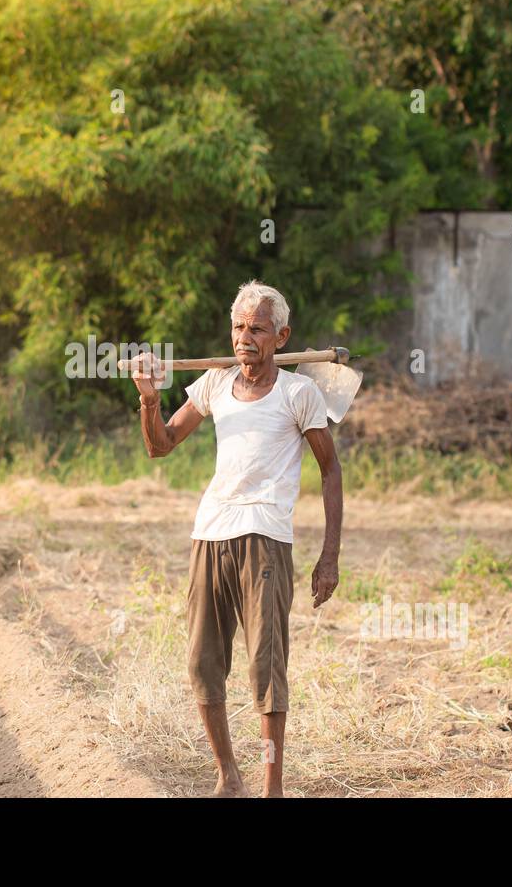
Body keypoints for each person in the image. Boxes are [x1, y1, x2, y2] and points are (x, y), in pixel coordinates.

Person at [131, 280, 343, 797]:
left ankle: (272, 790)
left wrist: (328, 556)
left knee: (266, 668)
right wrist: (149, 400)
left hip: (266, 539)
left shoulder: (299, 393)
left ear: (282, 335)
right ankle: (228, 776)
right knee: (203, 663)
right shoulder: (214, 384)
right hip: (210, 534)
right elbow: (161, 446)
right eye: (238, 327)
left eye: (258, 329)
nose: (244, 339)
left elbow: (330, 470)